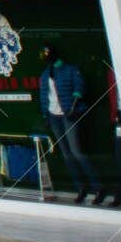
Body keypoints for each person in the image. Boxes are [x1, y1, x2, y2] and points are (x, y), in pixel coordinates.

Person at [38, 44, 101, 204]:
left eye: (48, 54)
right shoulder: (45, 75)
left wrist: (74, 105)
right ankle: (81, 188)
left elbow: (81, 87)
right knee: (67, 155)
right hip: (54, 116)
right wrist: (46, 115)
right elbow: (44, 97)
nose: (46, 57)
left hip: (69, 114)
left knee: (77, 151)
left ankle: (98, 187)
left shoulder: (70, 69)